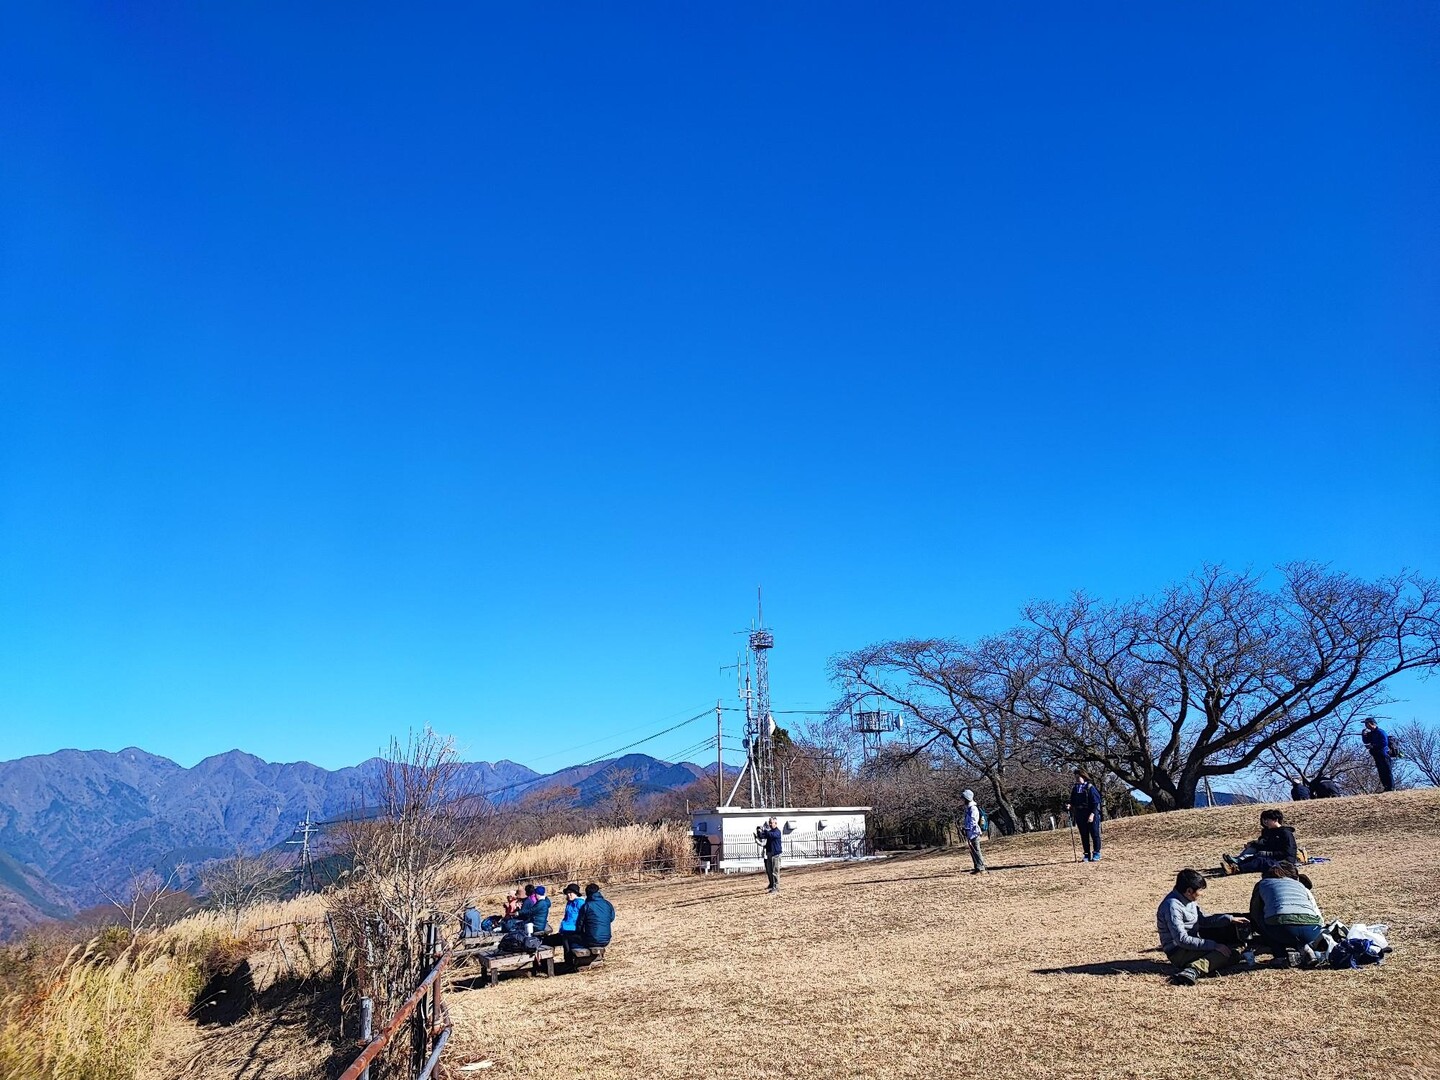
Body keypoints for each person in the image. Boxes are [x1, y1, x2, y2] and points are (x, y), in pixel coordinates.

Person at [1156, 868, 1248, 986]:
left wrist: (1229, 919)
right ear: (1189, 891)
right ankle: (1193, 970)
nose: (1201, 894)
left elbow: (1203, 920)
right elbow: (1181, 940)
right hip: (1178, 951)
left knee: (1231, 952)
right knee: (1225, 954)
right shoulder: (1172, 906)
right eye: (1200, 890)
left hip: (1191, 945)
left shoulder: (1189, 900)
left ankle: (1197, 965)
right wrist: (1214, 945)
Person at [1247, 861, 1324, 957]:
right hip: (1312, 930)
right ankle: (1304, 947)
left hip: (1282, 928)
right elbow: (1315, 908)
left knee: (1264, 917)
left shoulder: (1263, 884)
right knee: (1293, 928)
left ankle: (1280, 955)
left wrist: (1255, 927)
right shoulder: (1301, 885)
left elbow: (1255, 910)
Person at [1221, 809, 1298, 875]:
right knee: (1255, 857)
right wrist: (1255, 845)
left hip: (1285, 862)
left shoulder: (1286, 833)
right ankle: (1234, 865)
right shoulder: (1271, 832)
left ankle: (1235, 869)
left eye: (1268, 820)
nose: (1266, 822)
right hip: (1274, 858)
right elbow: (1268, 846)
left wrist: (1267, 854)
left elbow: (1289, 852)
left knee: (1260, 861)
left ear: (1275, 820)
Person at [1068, 769, 1103, 862]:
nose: (1076, 779)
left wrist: (1092, 815)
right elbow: (1072, 800)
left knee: (1095, 833)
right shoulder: (1075, 788)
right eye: (1075, 777)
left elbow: (1096, 802)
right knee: (1084, 834)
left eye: (1078, 777)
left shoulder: (1090, 787)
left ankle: (1096, 852)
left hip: (1091, 812)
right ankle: (1086, 854)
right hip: (1080, 813)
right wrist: (1069, 805)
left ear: (1083, 776)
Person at [574, 882, 615, 948]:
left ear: (587, 894)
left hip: (591, 940)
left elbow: (580, 924)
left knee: (569, 939)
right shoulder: (607, 904)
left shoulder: (586, 906)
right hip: (606, 940)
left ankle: (570, 958)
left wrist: (578, 933)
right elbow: (612, 918)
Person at [1361, 717, 1396, 792]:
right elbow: (1366, 741)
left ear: (1372, 723)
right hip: (1376, 754)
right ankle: (1386, 787)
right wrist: (1363, 735)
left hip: (1384, 754)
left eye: (1367, 723)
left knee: (1387, 770)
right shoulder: (1371, 733)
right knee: (1381, 771)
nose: (1366, 725)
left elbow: (1384, 743)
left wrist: (1373, 745)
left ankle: (1391, 787)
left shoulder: (1380, 732)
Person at [961, 789, 986, 874]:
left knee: (976, 850)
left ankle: (981, 868)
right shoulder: (969, 808)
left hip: (974, 832)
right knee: (973, 850)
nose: (962, 800)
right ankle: (977, 867)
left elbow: (973, 821)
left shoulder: (973, 808)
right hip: (970, 833)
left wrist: (967, 828)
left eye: (963, 798)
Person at [557, 882, 585, 954]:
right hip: (566, 928)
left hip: (574, 929)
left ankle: (569, 961)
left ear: (576, 893)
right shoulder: (569, 903)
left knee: (566, 941)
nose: (569, 895)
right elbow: (566, 917)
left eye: (570, 893)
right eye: (567, 893)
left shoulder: (580, 903)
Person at [758, 817, 783, 894]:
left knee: (775, 872)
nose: (770, 824)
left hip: (776, 854)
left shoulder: (777, 832)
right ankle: (772, 885)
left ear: (775, 823)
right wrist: (759, 832)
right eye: (769, 823)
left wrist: (764, 830)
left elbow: (771, 835)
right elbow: (762, 836)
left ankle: (776, 888)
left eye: (771, 823)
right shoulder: (770, 832)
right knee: (769, 871)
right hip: (769, 853)